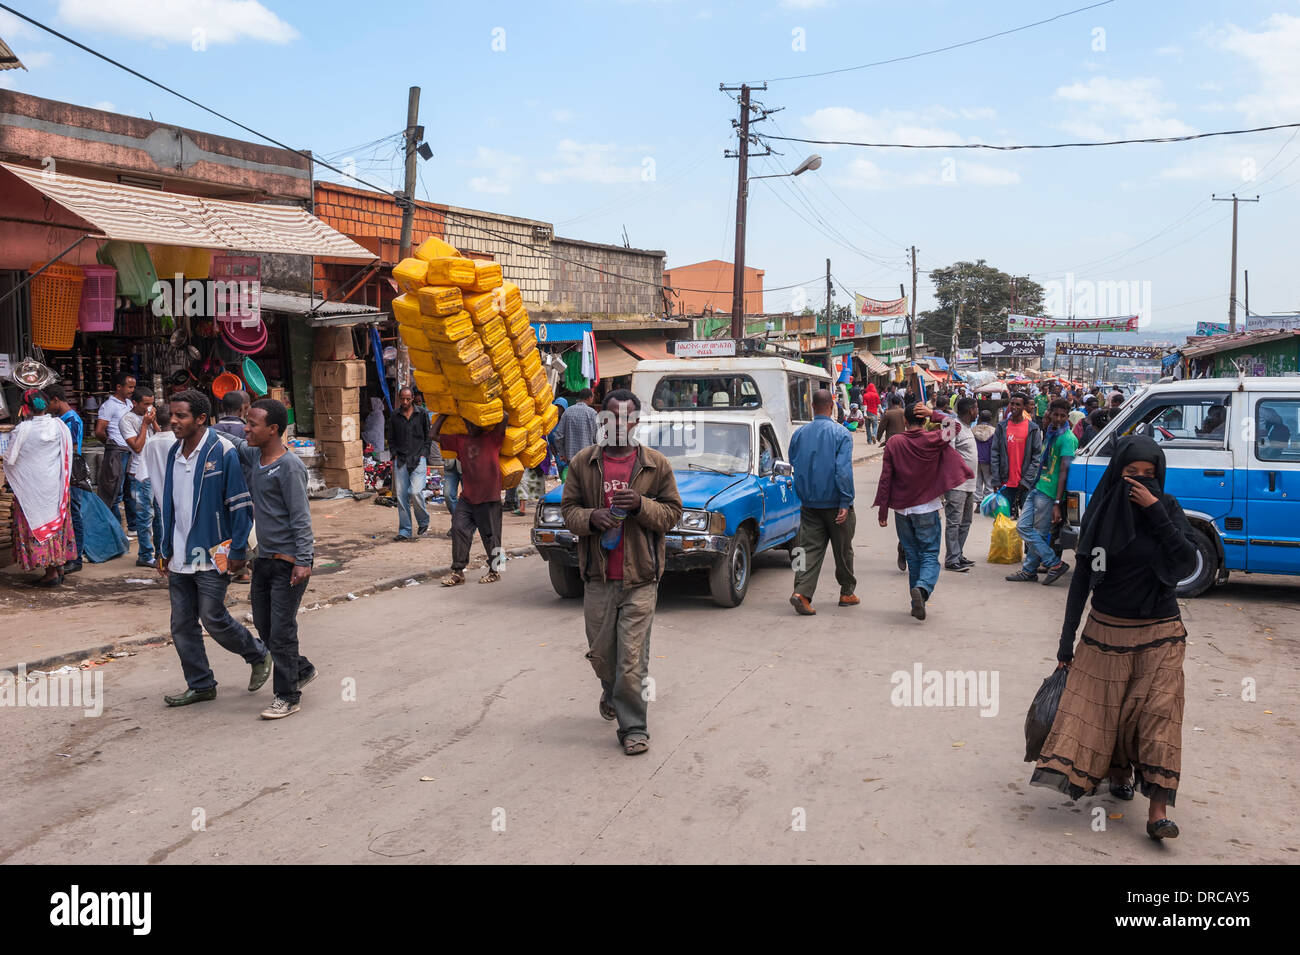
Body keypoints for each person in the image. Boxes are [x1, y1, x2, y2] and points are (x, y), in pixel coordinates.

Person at [1032, 436, 1196, 841]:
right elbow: (1083, 581)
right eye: (1130, 476)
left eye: (1149, 476)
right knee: (1113, 714)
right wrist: (1065, 642)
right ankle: (1120, 770)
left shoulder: (1169, 509)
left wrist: (1155, 511)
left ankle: (1158, 812)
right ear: (1116, 474)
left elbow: (1185, 560)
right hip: (1106, 631)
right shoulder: (1101, 517)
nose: (1140, 484)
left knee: (1159, 717)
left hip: (1162, 632)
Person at [561, 389, 682, 756]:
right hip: (598, 577)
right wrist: (590, 517)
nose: (618, 424)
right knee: (601, 655)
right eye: (611, 417)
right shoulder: (583, 463)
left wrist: (642, 506)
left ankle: (633, 728)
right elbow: (568, 511)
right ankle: (611, 690)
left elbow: (672, 514)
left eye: (625, 418)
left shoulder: (655, 465)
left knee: (631, 660)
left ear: (636, 422)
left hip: (641, 577)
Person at [157, 389, 271, 708]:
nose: (174, 421)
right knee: (181, 623)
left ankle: (258, 654)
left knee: (212, 615)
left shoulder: (222, 451)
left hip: (212, 551)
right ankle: (201, 683)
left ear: (201, 419)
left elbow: (240, 504)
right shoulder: (173, 453)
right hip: (179, 553)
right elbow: (169, 503)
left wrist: (237, 551)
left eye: (181, 415)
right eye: (172, 414)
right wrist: (163, 547)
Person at [234, 399, 317, 720]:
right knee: (266, 628)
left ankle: (287, 695)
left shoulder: (290, 467)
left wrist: (303, 560)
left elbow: (301, 517)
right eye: (246, 421)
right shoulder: (255, 455)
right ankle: (302, 668)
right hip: (264, 559)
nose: (247, 428)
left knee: (281, 631)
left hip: (290, 561)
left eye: (253, 424)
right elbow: (230, 441)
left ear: (273, 430)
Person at [873, 402, 972, 620]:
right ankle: (923, 589)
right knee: (929, 553)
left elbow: (886, 478)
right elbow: (955, 426)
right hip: (927, 508)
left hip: (901, 511)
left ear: (905, 421)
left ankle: (916, 599)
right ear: (923, 420)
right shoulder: (932, 439)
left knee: (913, 555)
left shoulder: (894, 442)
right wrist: (933, 414)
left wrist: (882, 512)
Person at [788, 389, 857, 615]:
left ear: (812, 407)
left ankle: (800, 592)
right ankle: (847, 591)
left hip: (809, 504)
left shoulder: (799, 434)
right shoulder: (842, 434)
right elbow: (843, 471)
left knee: (804, 550)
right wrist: (845, 502)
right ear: (831, 406)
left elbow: (793, 462)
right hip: (836, 503)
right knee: (843, 549)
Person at [3, 389, 76, 586]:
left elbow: (10, 459)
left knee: (36, 524)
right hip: (56, 488)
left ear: (25, 408)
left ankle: (51, 572)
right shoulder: (59, 426)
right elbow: (67, 454)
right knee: (56, 524)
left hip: (32, 491)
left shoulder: (22, 430)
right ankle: (58, 567)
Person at [1007, 398, 1075, 585]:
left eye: (1063, 416)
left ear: (1067, 416)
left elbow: (1063, 472)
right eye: (1056, 415)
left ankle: (1041, 566)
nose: (1059, 419)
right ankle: (1043, 565)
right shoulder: (1051, 433)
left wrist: (1057, 503)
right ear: (1049, 414)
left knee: (1038, 531)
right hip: (1038, 487)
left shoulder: (1067, 438)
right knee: (1025, 527)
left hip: (1049, 493)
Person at [433, 414, 507, 585]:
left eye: (473, 420)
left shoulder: (493, 437)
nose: (470, 425)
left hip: (490, 497)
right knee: (458, 528)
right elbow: (433, 435)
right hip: (467, 497)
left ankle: (496, 570)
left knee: (493, 536)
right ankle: (458, 571)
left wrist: (485, 406)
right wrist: (444, 414)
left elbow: (505, 416)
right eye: (467, 421)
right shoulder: (461, 440)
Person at [42, 384, 86, 573]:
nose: (47, 408)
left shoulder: (71, 421)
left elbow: (69, 449)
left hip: (72, 473)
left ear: (56, 400)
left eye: (48, 403)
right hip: (64, 473)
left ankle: (76, 560)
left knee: (74, 514)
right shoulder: (62, 419)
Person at [119, 387, 159, 567]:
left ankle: (160, 552)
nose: (149, 407)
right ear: (134, 403)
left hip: (155, 471)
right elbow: (136, 447)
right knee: (144, 516)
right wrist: (144, 424)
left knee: (158, 515)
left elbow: (161, 438)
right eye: (146, 404)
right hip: (139, 473)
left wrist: (154, 422)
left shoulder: (149, 417)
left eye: (152, 403)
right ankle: (144, 554)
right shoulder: (126, 420)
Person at [386, 386, 431, 541]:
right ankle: (405, 530)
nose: (405, 402)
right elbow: (390, 438)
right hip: (401, 460)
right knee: (401, 495)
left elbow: (428, 437)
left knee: (415, 492)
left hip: (419, 458)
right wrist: (394, 454)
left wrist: (425, 454)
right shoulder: (394, 416)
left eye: (408, 399)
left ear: (412, 398)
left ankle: (423, 521)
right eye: (402, 399)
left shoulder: (422, 414)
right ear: (399, 399)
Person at [990, 392, 1043, 519]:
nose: (1013, 407)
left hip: (1024, 485)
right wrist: (996, 479)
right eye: (1012, 404)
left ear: (1024, 407)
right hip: (1005, 483)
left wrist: (1026, 480)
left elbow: (1037, 457)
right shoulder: (1002, 426)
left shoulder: (1033, 428)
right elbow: (995, 453)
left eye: (1017, 405)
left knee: (1025, 523)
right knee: (1003, 522)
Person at [93, 370, 135, 523]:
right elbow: (99, 431)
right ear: (119, 387)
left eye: (133, 387)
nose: (132, 390)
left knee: (130, 490)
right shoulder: (109, 406)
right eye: (129, 387)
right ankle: (116, 526)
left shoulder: (129, 403)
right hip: (118, 452)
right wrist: (112, 444)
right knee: (114, 491)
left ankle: (132, 525)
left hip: (130, 451)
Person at [943, 397, 980, 572]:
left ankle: (958, 554)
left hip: (969, 485)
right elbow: (946, 453)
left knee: (966, 521)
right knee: (954, 522)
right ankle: (951, 559)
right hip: (956, 484)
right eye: (976, 408)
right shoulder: (952, 425)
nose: (978, 411)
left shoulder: (967, 428)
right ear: (971, 410)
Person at [556, 388, 598, 478]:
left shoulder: (567, 412)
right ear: (589, 398)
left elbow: (558, 435)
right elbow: (598, 438)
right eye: (593, 397)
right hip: (587, 459)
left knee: (571, 488)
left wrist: (562, 453)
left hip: (571, 460)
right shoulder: (592, 413)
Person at [972, 409, 996, 499]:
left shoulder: (973, 430)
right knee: (989, 482)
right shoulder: (994, 431)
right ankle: (986, 503)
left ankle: (978, 502)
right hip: (988, 460)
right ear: (990, 419)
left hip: (976, 459)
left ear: (980, 419)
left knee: (977, 481)